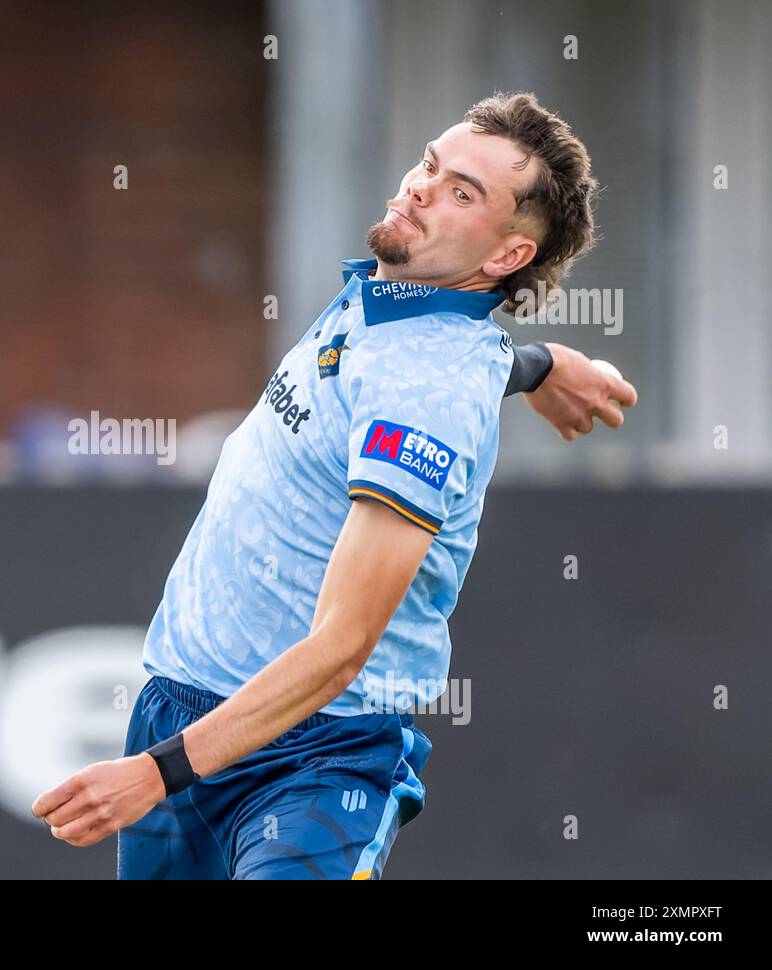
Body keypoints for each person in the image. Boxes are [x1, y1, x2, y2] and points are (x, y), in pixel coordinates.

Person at [32, 91, 638, 879]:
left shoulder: (431, 392)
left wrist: (156, 773)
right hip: (180, 703)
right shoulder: (391, 296)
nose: (420, 187)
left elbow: (340, 649)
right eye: (430, 165)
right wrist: (541, 365)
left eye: (463, 193)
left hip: (317, 756)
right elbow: (454, 355)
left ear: (505, 259)